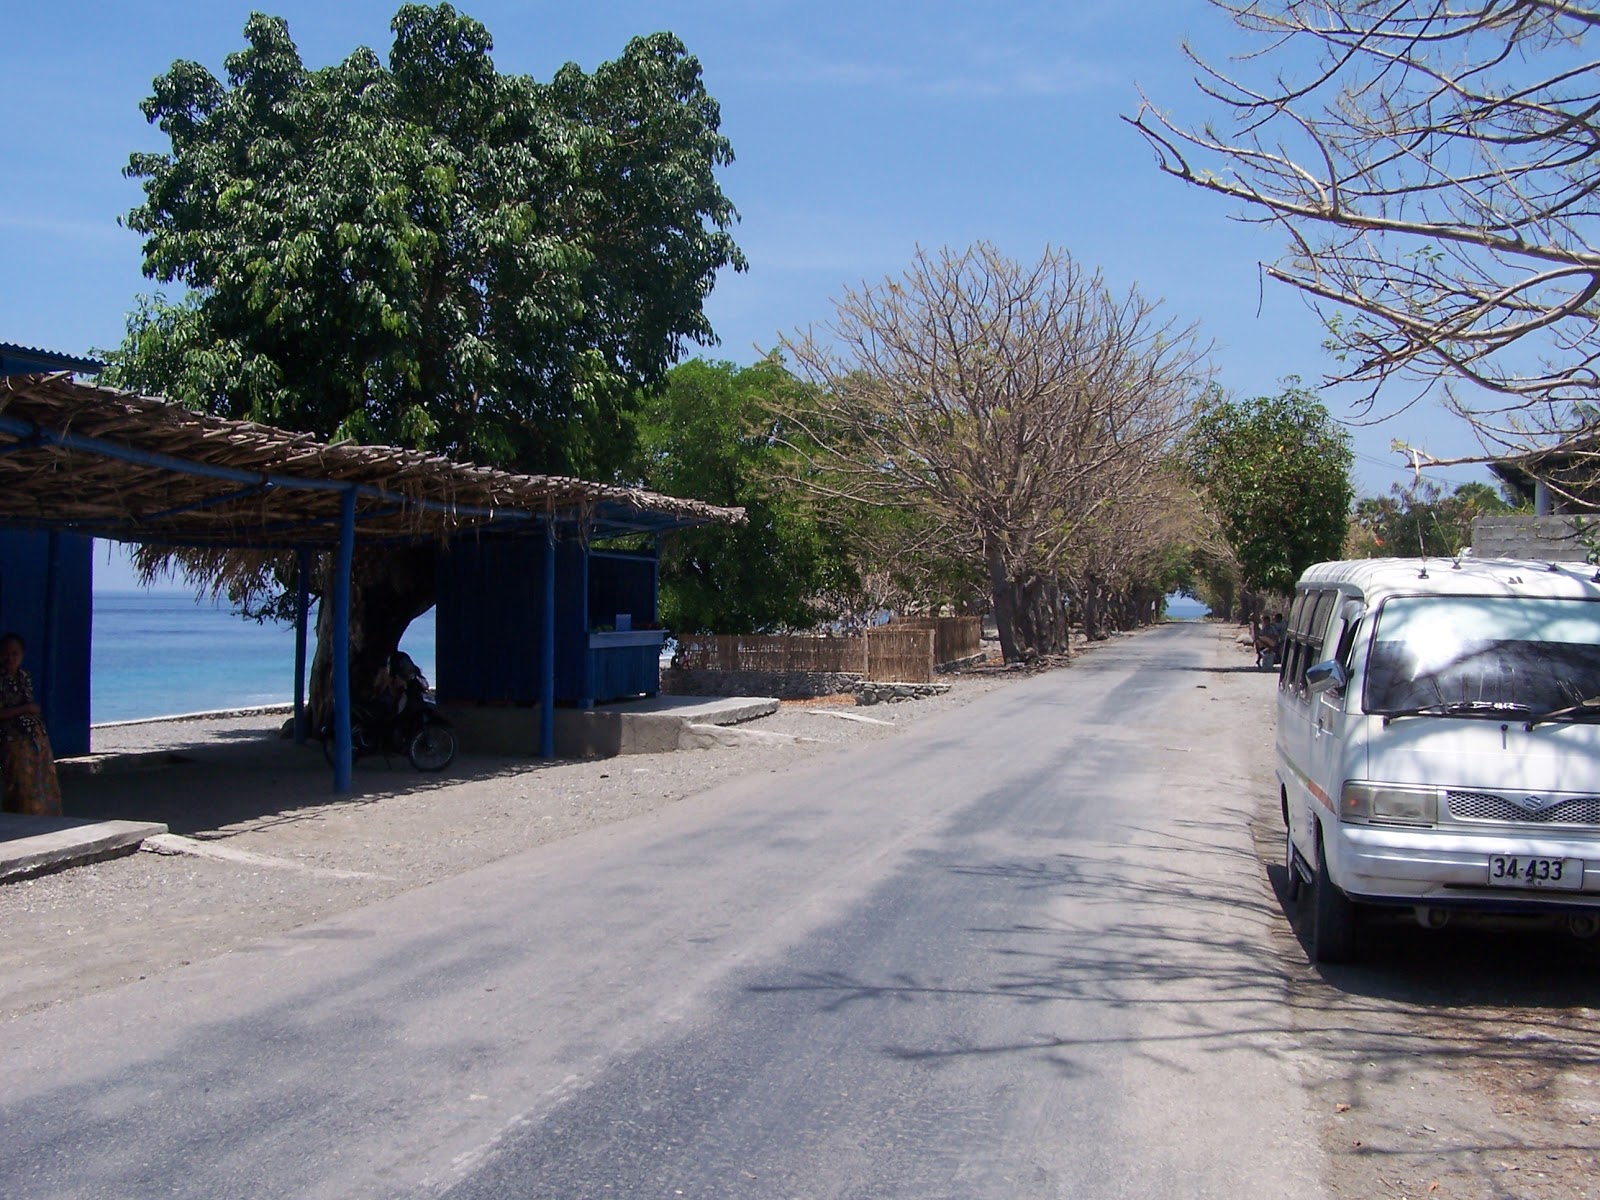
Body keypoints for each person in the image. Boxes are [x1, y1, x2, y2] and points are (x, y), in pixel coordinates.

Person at [0, 632, 62, 816]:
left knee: (43, 774)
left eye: (15, 654)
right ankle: (23, 811)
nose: (10, 658)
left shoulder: (24, 676)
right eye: (6, 653)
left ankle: (45, 813)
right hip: (10, 735)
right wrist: (25, 709)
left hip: (33, 734)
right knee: (22, 777)